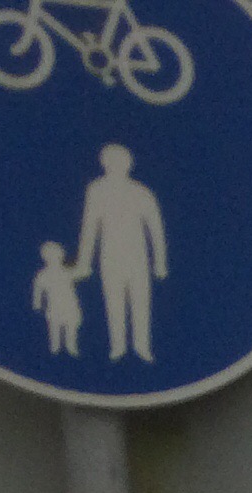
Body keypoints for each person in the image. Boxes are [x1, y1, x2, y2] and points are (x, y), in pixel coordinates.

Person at [71, 143, 166, 364]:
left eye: (121, 161)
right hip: (109, 255)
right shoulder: (97, 190)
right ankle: (117, 347)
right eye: (111, 162)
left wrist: (160, 262)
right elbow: (89, 228)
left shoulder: (141, 192)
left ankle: (142, 346)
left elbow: (156, 230)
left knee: (141, 300)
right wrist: (84, 263)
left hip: (138, 255)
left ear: (128, 164)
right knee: (113, 300)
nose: (117, 166)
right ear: (105, 164)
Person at [31, 240, 82, 355]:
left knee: (71, 326)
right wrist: (37, 303)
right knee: (55, 328)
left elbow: (79, 273)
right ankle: (55, 348)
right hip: (54, 306)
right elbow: (38, 290)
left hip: (69, 305)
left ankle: (71, 347)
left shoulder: (66, 271)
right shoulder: (43, 275)